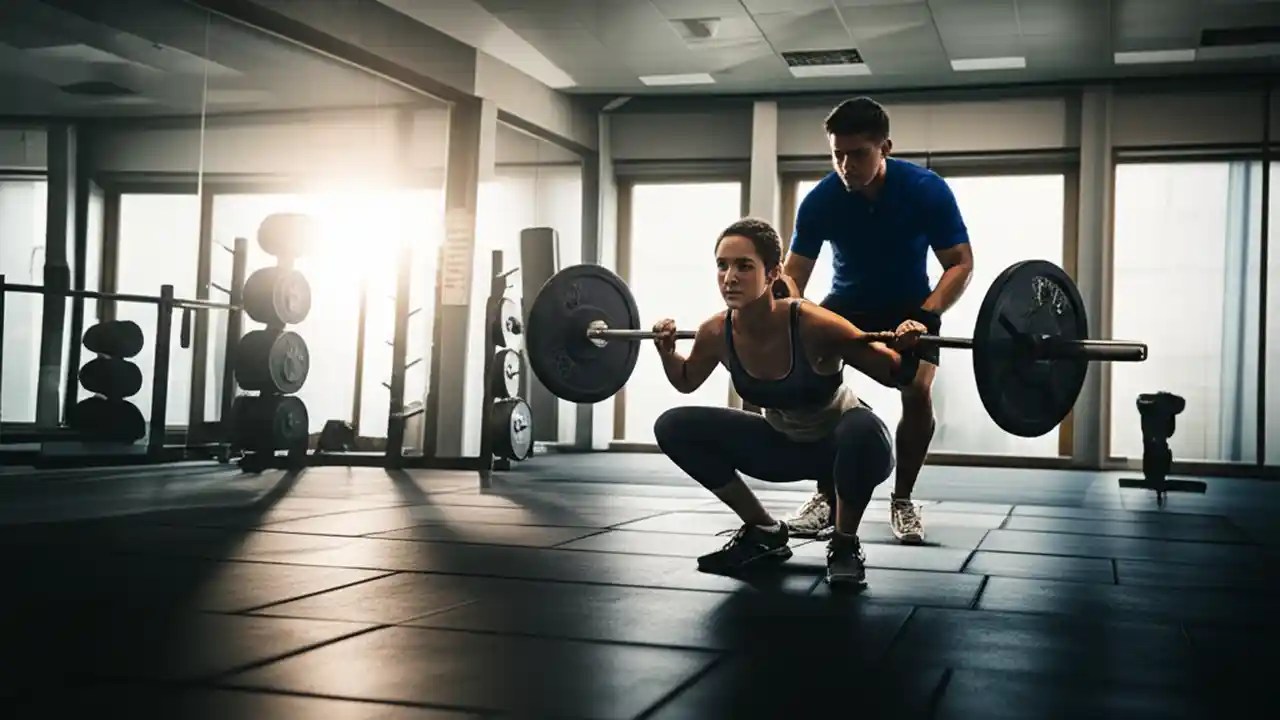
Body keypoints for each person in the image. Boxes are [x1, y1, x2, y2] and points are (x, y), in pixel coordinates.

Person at [651, 218, 926, 585]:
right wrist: (667, 352)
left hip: (845, 450)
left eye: (744, 266)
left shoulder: (813, 323)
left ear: (773, 272)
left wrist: (909, 344)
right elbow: (686, 381)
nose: (729, 277)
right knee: (673, 426)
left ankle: (844, 544)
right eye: (722, 265)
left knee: (863, 426)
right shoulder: (716, 331)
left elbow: (894, 374)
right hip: (782, 447)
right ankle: (764, 531)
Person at [780, 96, 974, 544]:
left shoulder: (925, 189)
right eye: (837, 154)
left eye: (857, 154)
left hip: (913, 306)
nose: (846, 165)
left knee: (917, 389)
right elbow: (794, 276)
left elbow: (960, 263)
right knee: (812, 388)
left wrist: (926, 316)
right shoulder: (821, 201)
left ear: (885, 147)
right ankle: (826, 497)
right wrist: (786, 309)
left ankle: (902, 499)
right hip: (846, 304)